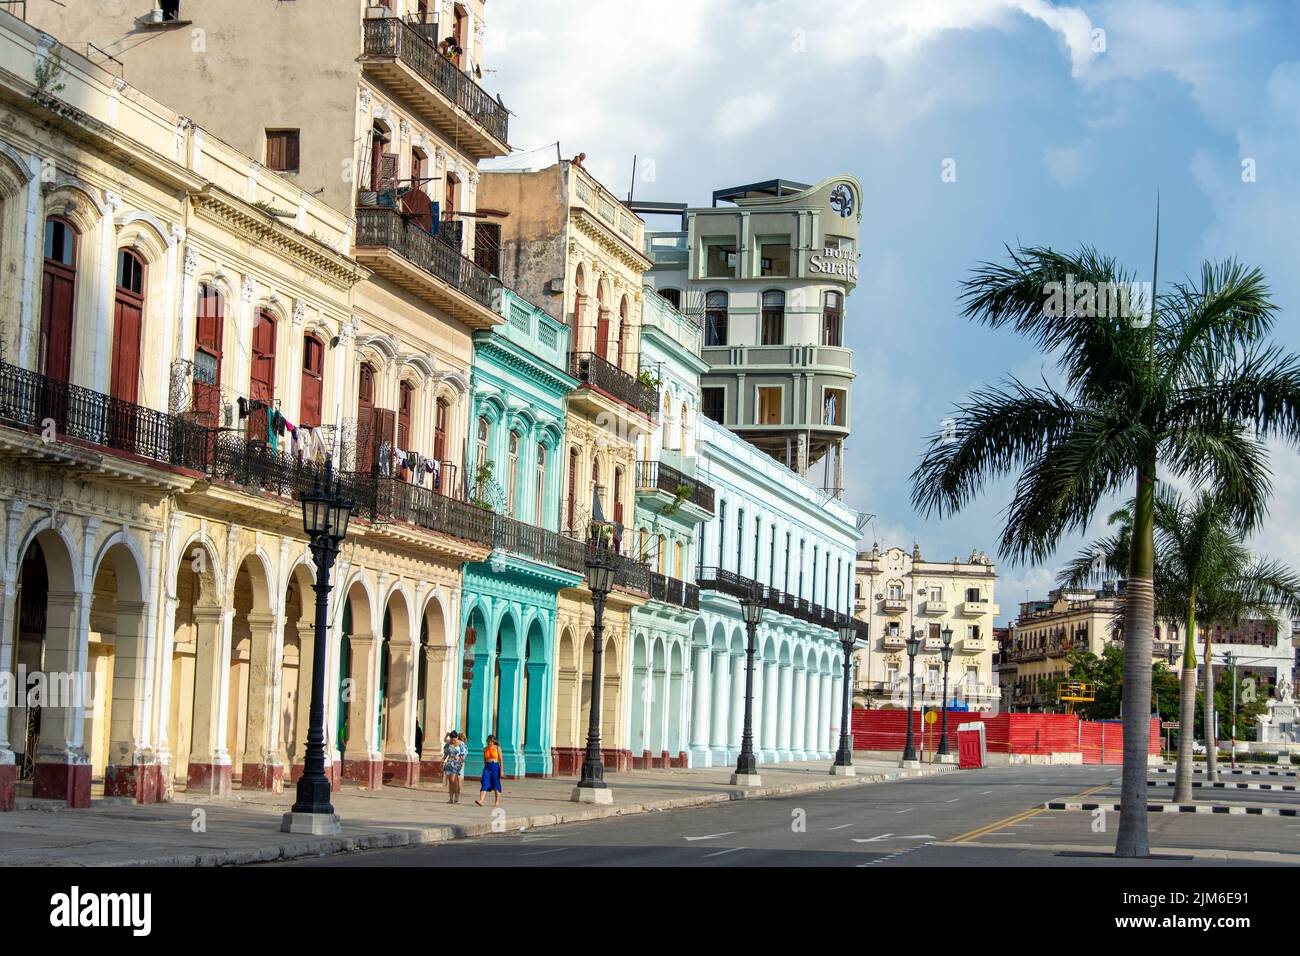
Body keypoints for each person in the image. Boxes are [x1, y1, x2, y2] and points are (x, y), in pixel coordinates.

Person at [475, 734, 504, 807]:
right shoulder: (485, 749)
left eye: (491, 742)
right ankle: (481, 800)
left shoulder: (497, 748)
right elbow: (484, 760)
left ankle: (497, 801)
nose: (489, 743)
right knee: (484, 783)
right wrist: (485, 768)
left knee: (496, 784)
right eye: (488, 741)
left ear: (494, 741)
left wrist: (501, 770)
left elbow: (500, 759)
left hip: (495, 767)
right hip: (487, 768)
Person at [442, 730, 466, 804]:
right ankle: (450, 799)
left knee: (453, 780)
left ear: (457, 738)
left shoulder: (461, 744)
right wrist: (442, 761)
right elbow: (446, 754)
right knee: (451, 782)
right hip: (449, 764)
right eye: (452, 739)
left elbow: (463, 755)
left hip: (457, 764)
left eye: (454, 739)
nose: (453, 741)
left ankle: (457, 797)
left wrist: (461, 762)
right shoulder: (448, 744)